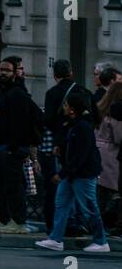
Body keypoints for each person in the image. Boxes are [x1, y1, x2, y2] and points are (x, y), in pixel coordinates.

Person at [36, 91, 111, 253]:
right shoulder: (75, 124)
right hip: (73, 172)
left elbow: (79, 156)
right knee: (62, 203)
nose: (63, 107)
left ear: (72, 109)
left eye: (66, 105)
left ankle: (101, 240)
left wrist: (63, 173)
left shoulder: (81, 127)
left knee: (88, 206)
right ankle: (56, 239)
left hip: (82, 174)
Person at [0, 57, 42, 236]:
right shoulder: (0, 92)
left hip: (9, 149)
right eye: (1, 69)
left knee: (13, 187)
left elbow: (21, 122)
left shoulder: (16, 94)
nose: (2, 73)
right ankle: (6, 219)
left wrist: (14, 147)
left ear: (15, 72)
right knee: (0, 187)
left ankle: (18, 221)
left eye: (7, 70)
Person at [42, 59, 95, 238]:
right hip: (82, 141)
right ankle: (78, 224)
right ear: (71, 72)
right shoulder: (84, 91)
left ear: (55, 75)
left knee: (64, 186)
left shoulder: (52, 93)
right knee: (78, 186)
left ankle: (66, 227)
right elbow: (94, 116)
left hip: (61, 143)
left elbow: (48, 119)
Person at [94, 81, 122, 230]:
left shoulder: (100, 109)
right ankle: (109, 222)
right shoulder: (115, 114)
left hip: (98, 149)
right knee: (113, 190)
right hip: (111, 153)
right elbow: (118, 137)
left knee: (100, 190)